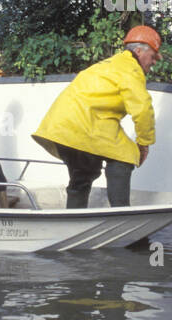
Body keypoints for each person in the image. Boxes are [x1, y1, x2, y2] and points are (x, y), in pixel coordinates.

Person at [32, 25, 159, 208]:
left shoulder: (107, 65)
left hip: (62, 127)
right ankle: (121, 213)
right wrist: (144, 143)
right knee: (126, 154)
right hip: (86, 124)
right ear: (139, 51)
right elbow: (143, 108)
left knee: (82, 175)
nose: (154, 62)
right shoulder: (130, 69)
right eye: (153, 56)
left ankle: (72, 220)